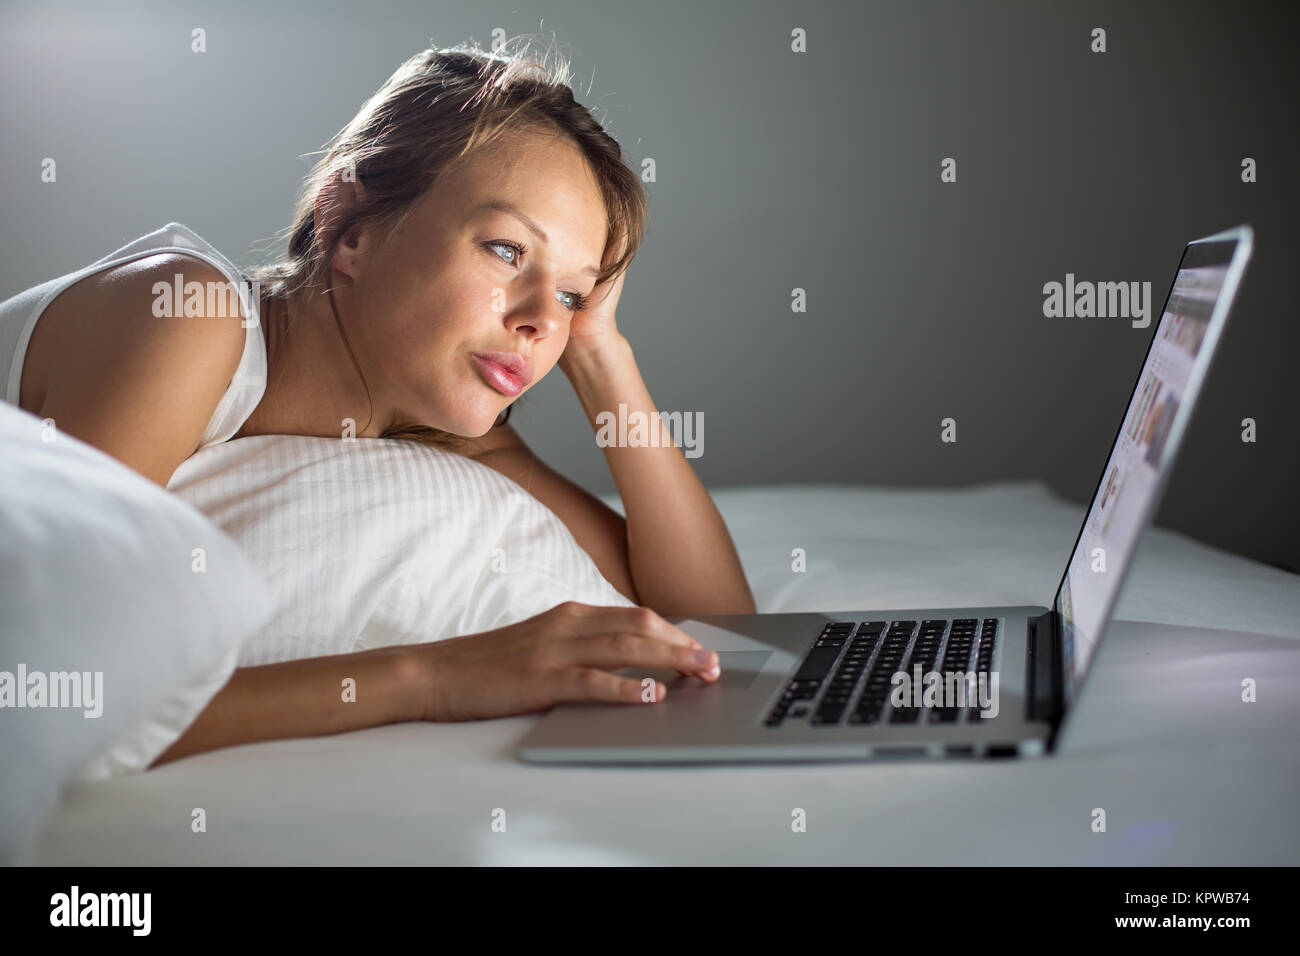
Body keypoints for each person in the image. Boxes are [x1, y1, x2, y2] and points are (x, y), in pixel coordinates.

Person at [0, 40, 754, 765]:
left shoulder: (438, 424)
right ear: (349, 225)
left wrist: (600, 350)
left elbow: (720, 628)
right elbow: (71, 697)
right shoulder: (187, 317)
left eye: (569, 293)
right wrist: (431, 677)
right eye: (506, 250)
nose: (542, 321)